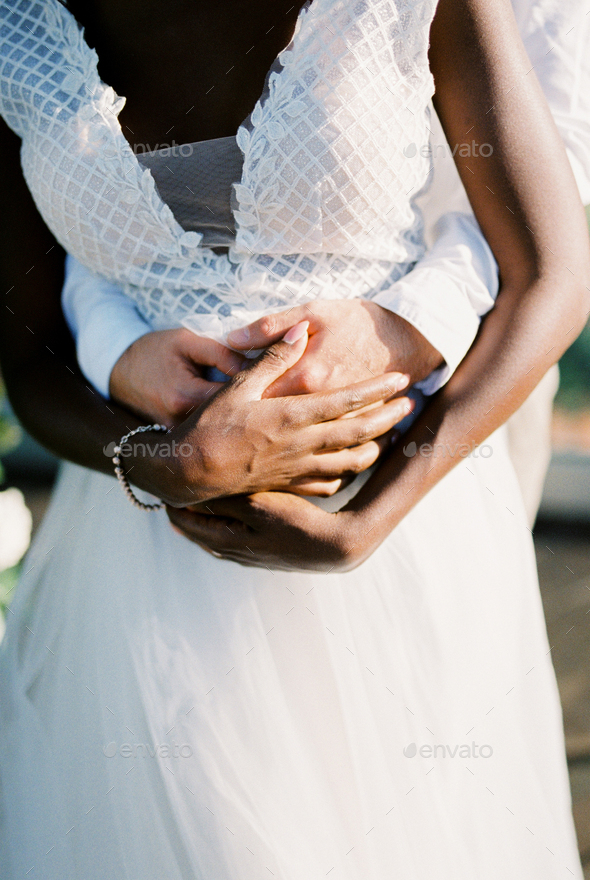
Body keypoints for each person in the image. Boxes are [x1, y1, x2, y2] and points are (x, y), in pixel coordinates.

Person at [0, 2, 589, 879]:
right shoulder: (18, 26)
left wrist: (372, 518)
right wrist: (163, 459)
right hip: (138, 559)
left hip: (399, 521)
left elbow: (550, 268)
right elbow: (28, 350)